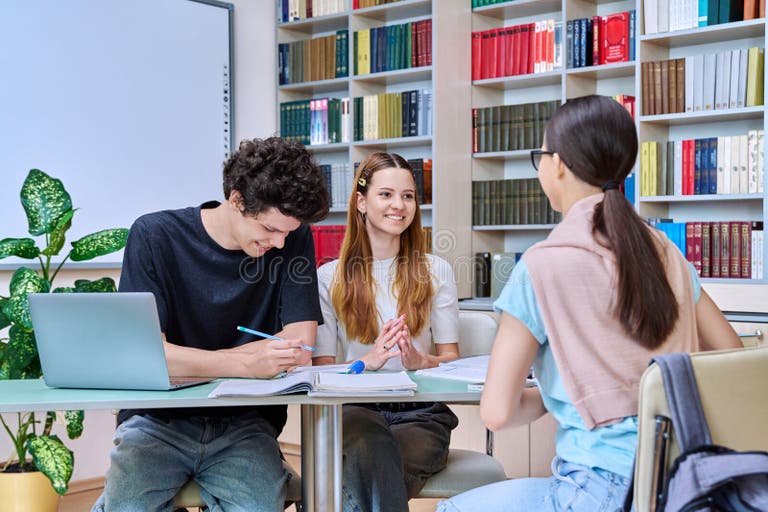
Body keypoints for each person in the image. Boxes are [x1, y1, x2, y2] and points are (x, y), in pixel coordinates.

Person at [437, 95, 742, 512]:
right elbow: (730, 355)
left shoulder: (541, 265)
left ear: (558, 164)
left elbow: (496, 412)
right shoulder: (666, 251)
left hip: (598, 490)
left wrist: (561, 393)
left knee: (452, 508)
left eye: (540, 156)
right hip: (679, 482)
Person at [92, 137, 329, 512]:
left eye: (287, 232)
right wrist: (243, 364)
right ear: (237, 200)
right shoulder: (155, 236)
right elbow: (147, 357)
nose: (281, 243)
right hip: (157, 422)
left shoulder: (292, 236)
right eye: (269, 229)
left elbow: (298, 348)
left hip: (245, 425)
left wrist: (185, 361)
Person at [313, 151, 461, 512]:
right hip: (354, 411)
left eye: (408, 196)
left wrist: (419, 359)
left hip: (421, 413)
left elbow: (452, 361)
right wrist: (369, 361)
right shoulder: (328, 277)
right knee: (369, 449)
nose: (400, 205)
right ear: (361, 202)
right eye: (387, 195)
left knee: (363, 467)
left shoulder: (436, 270)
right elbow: (319, 371)